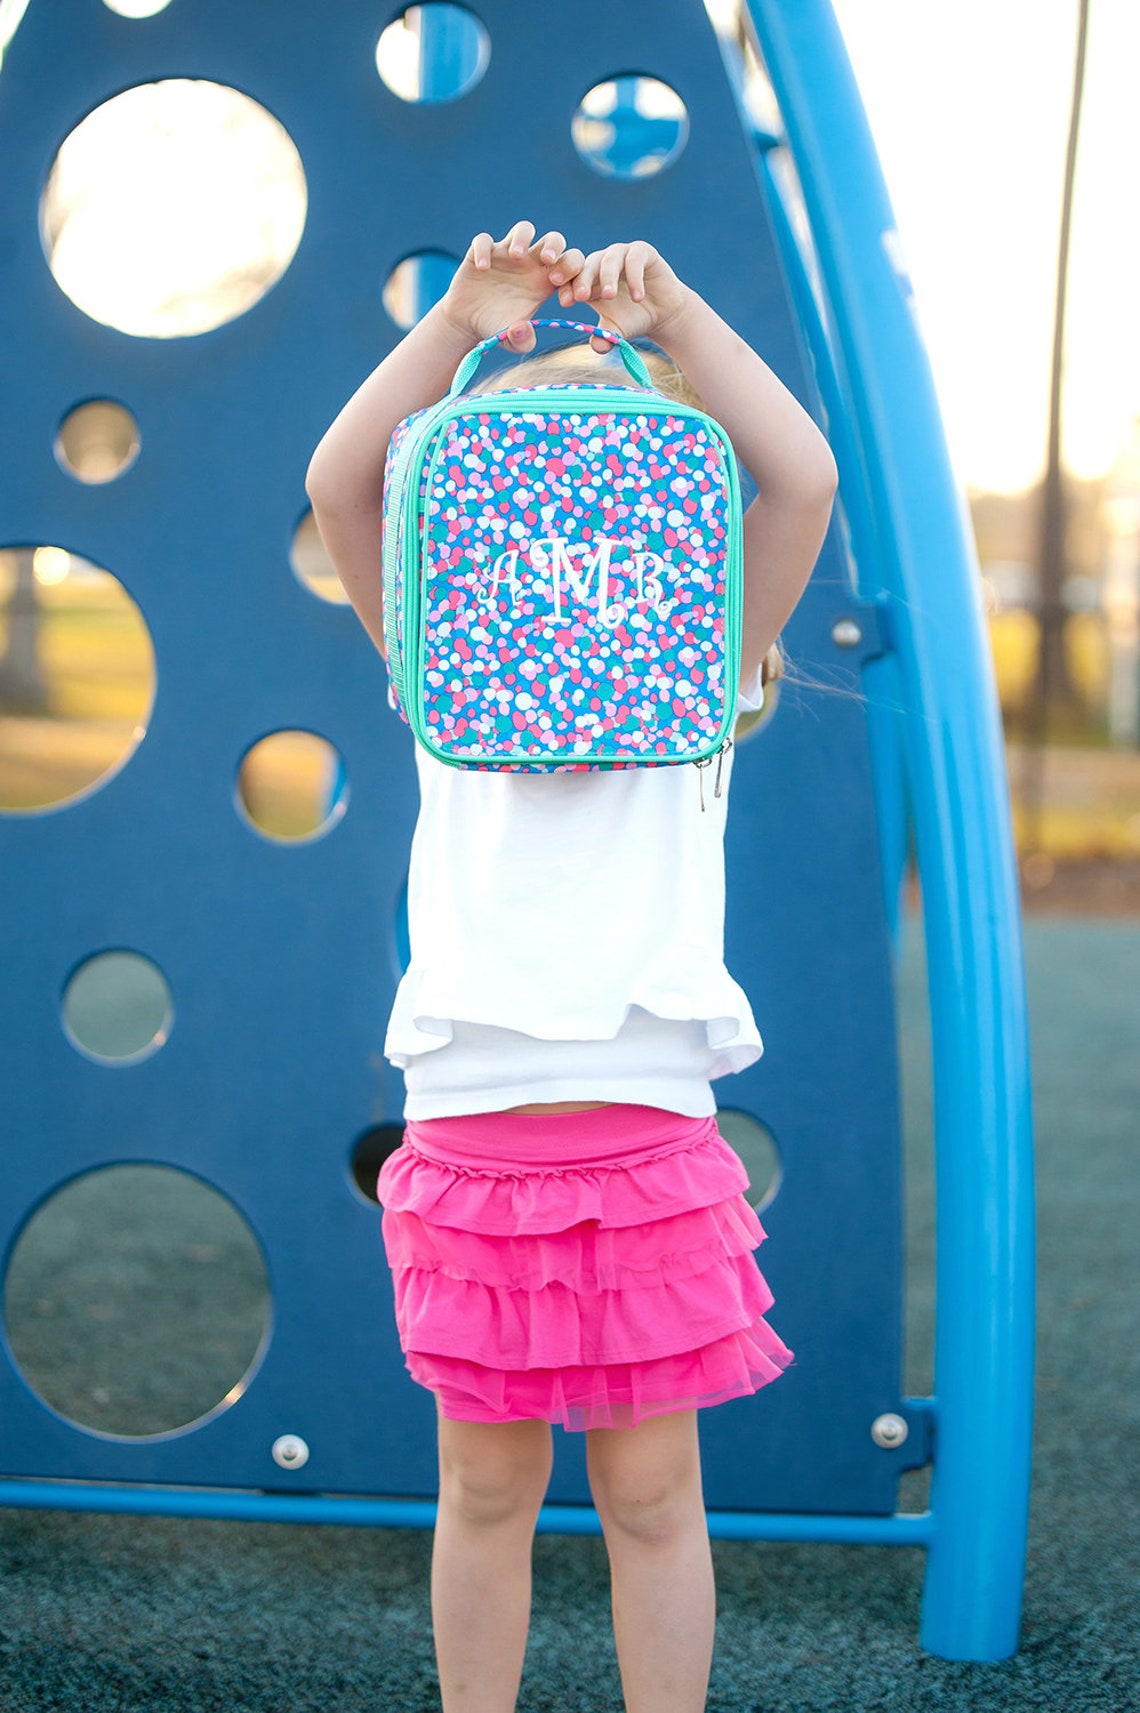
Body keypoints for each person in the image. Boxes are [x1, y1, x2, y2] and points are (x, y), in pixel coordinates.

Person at [305, 221, 837, 1713]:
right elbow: (344, 482)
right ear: (463, 498)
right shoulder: (440, 653)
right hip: (473, 1117)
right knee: (483, 1488)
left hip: (645, 1120)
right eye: (539, 372)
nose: (573, 372)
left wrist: (674, 316)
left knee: (654, 1495)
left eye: (615, 378)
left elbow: (797, 477)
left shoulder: (704, 655)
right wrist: (461, 323)